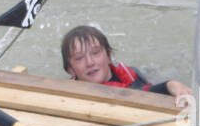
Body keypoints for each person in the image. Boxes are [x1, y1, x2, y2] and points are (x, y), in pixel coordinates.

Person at [61, 25, 192, 100]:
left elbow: (144, 93)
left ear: (109, 55)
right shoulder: (66, 94)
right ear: (70, 69)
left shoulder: (133, 79)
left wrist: (170, 85)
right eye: (79, 58)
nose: (90, 62)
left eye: (95, 53)